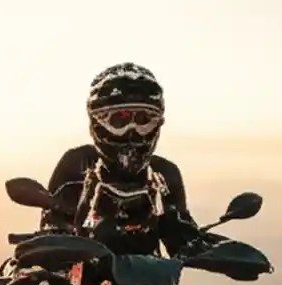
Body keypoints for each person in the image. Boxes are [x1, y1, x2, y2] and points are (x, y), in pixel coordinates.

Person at [40, 63, 203, 257]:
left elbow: (181, 236)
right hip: (81, 279)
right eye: (119, 121)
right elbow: (52, 228)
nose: (132, 131)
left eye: (143, 120)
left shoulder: (164, 173)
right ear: (97, 122)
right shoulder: (77, 163)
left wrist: (210, 249)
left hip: (149, 279)